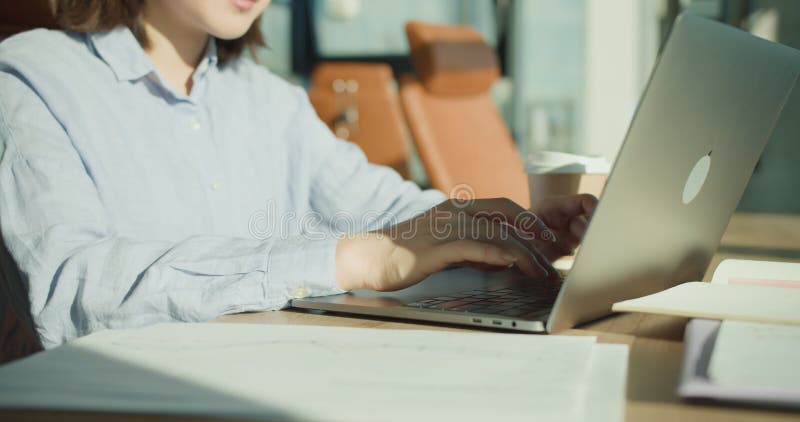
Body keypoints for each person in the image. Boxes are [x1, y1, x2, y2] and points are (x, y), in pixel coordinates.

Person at [0, 0, 596, 349]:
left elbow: (385, 213)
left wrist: (489, 226)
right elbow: (66, 288)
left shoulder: (268, 99)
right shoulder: (30, 79)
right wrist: (351, 260)